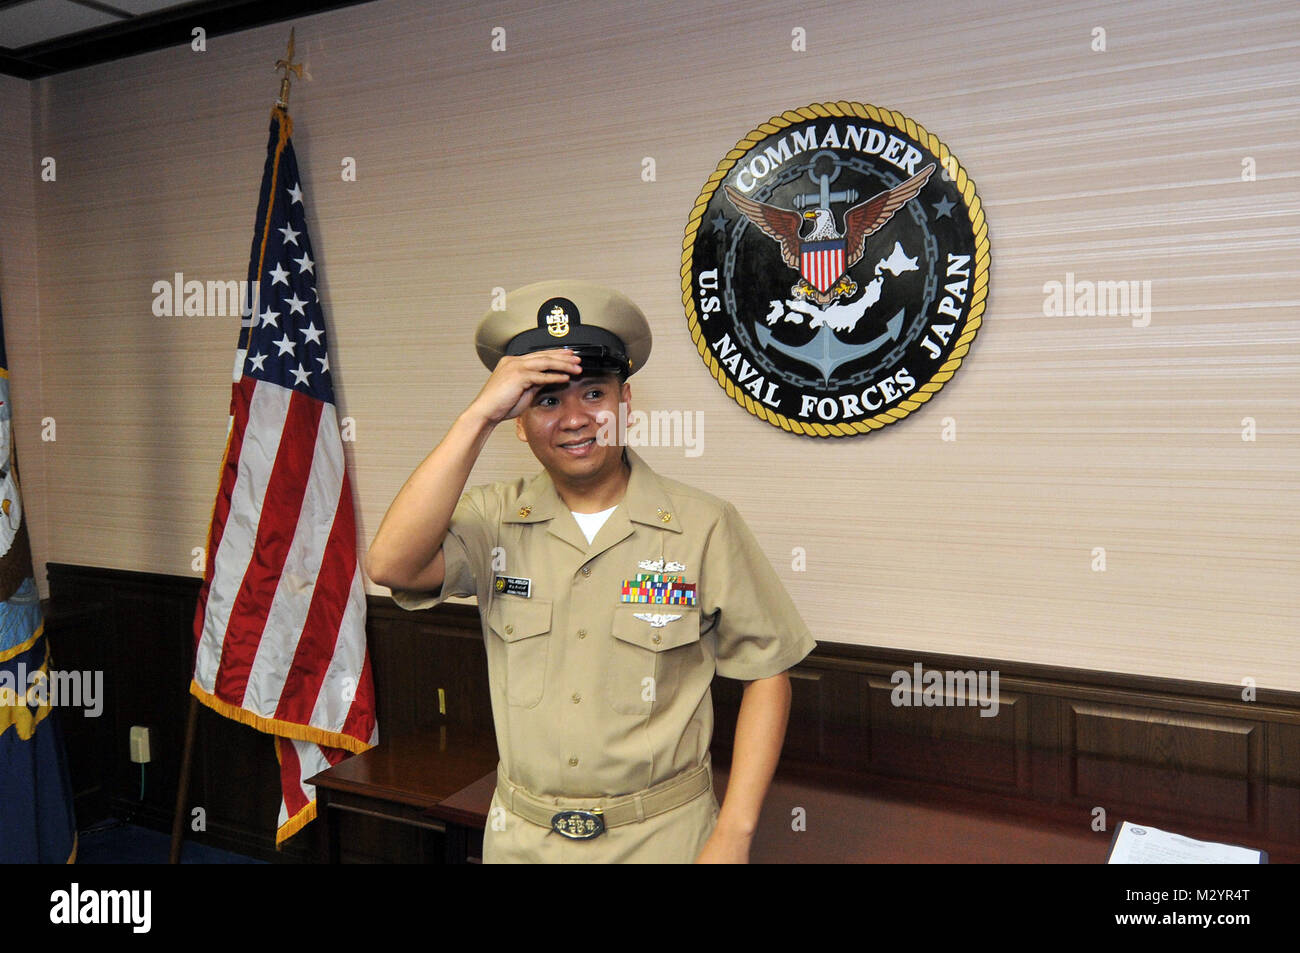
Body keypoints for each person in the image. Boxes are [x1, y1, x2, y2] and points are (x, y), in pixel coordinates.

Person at [366, 280, 816, 863]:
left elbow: (768, 673)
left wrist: (732, 835)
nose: (575, 419)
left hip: (664, 840)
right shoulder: (493, 519)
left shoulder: (703, 525)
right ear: (518, 422)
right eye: (546, 401)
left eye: (594, 394)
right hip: (523, 841)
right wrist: (479, 415)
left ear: (625, 405)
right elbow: (391, 565)